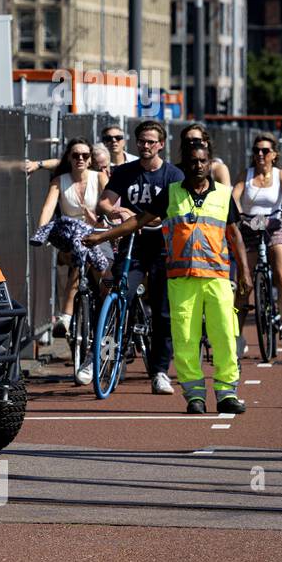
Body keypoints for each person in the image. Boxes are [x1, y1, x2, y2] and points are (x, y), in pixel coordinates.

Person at [88, 141, 251, 414]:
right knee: (185, 338)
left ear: (210, 163)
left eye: (202, 161)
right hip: (182, 279)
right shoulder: (171, 192)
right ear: (183, 164)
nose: (197, 166)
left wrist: (244, 271)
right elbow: (139, 221)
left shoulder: (223, 195)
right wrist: (103, 236)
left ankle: (227, 393)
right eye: (192, 161)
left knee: (224, 334)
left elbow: (234, 234)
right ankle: (194, 395)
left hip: (217, 277)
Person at [96, 120, 183, 395]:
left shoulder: (173, 176)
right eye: (141, 141)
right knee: (120, 293)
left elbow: (176, 211)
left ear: (161, 144)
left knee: (162, 311)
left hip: (162, 247)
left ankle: (159, 371)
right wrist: (115, 213)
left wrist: (144, 219)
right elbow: (104, 201)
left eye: (150, 142)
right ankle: (112, 357)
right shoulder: (125, 172)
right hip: (132, 244)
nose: (145, 146)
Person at [34, 139, 110, 384]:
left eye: (85, 155)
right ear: (68, 157)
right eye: (76, 154)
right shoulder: (59, 181)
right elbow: (47, 209)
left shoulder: (99, 178)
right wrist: (41, 231)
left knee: (98, 271)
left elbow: (110, 208)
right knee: (79, 253)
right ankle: (67, 318)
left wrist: (97, 218)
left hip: (97, 235)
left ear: (90, 158)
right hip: (70, 237)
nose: (80, 159)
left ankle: (81, 314)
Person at [233, 132, 282, 344]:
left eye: (265, 150)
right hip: (249, 229)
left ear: (274, 154)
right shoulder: (245, 175)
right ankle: (237, 333)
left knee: (281, 275)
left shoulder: (280, 175)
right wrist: (237, 211)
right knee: (244, 284)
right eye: (256, 150)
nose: (260, 154)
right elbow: (235, 196)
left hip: (274, 228)